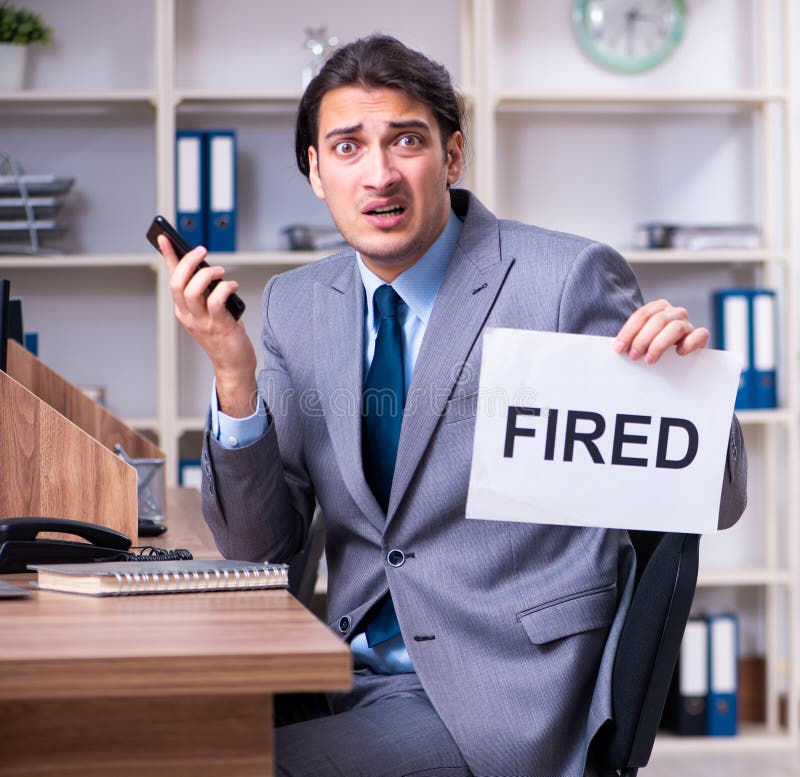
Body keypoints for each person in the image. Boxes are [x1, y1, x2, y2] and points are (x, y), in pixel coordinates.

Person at [161, 35, 747, 777]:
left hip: (498, 691)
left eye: (407, 140)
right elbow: (259, 551)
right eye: (346, 147)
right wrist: (233, 376)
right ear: (315, 171)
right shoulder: (296, 306)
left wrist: (684, 389)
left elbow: (716, 499)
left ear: (453, 156)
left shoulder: (563, 279)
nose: (379, 174)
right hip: (332, 672)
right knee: (130, 739)